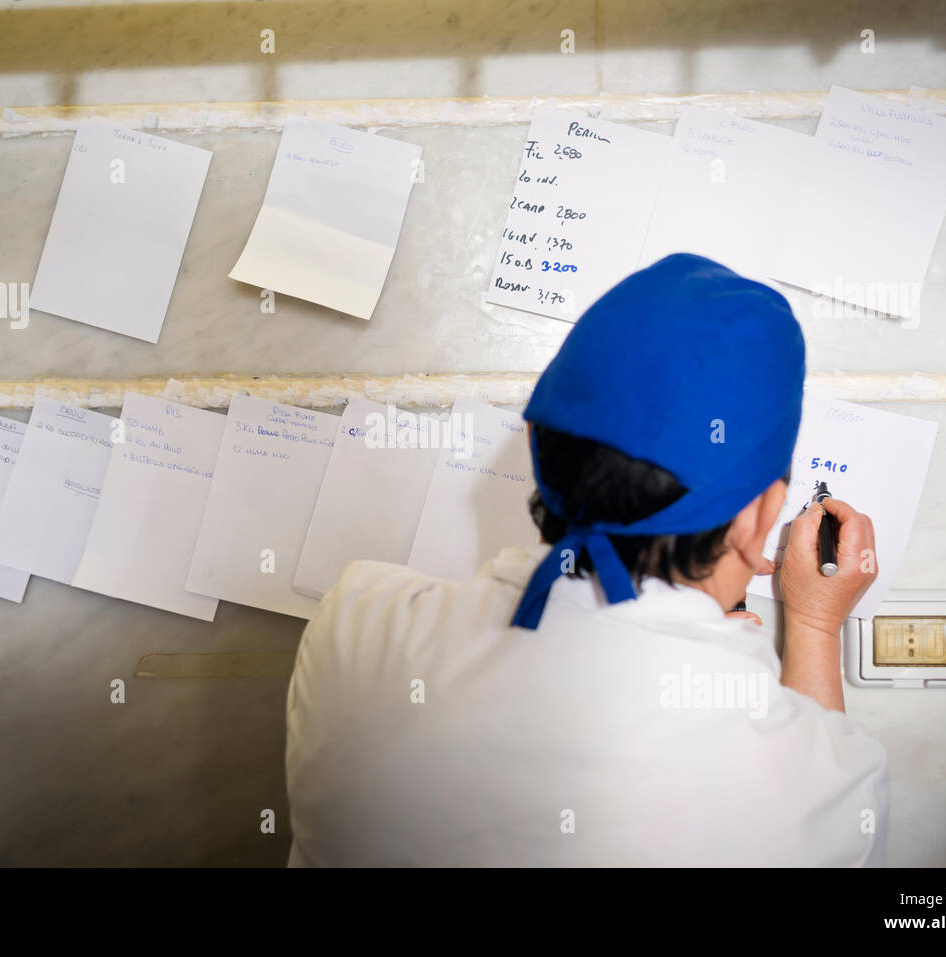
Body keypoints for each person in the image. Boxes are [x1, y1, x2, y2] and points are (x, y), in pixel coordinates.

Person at [283, 253, 887, 866]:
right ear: (760, 518)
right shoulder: (810, 789)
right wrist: (813, 625)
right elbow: (816, 787)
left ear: (540, 446)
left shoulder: (355, 624)